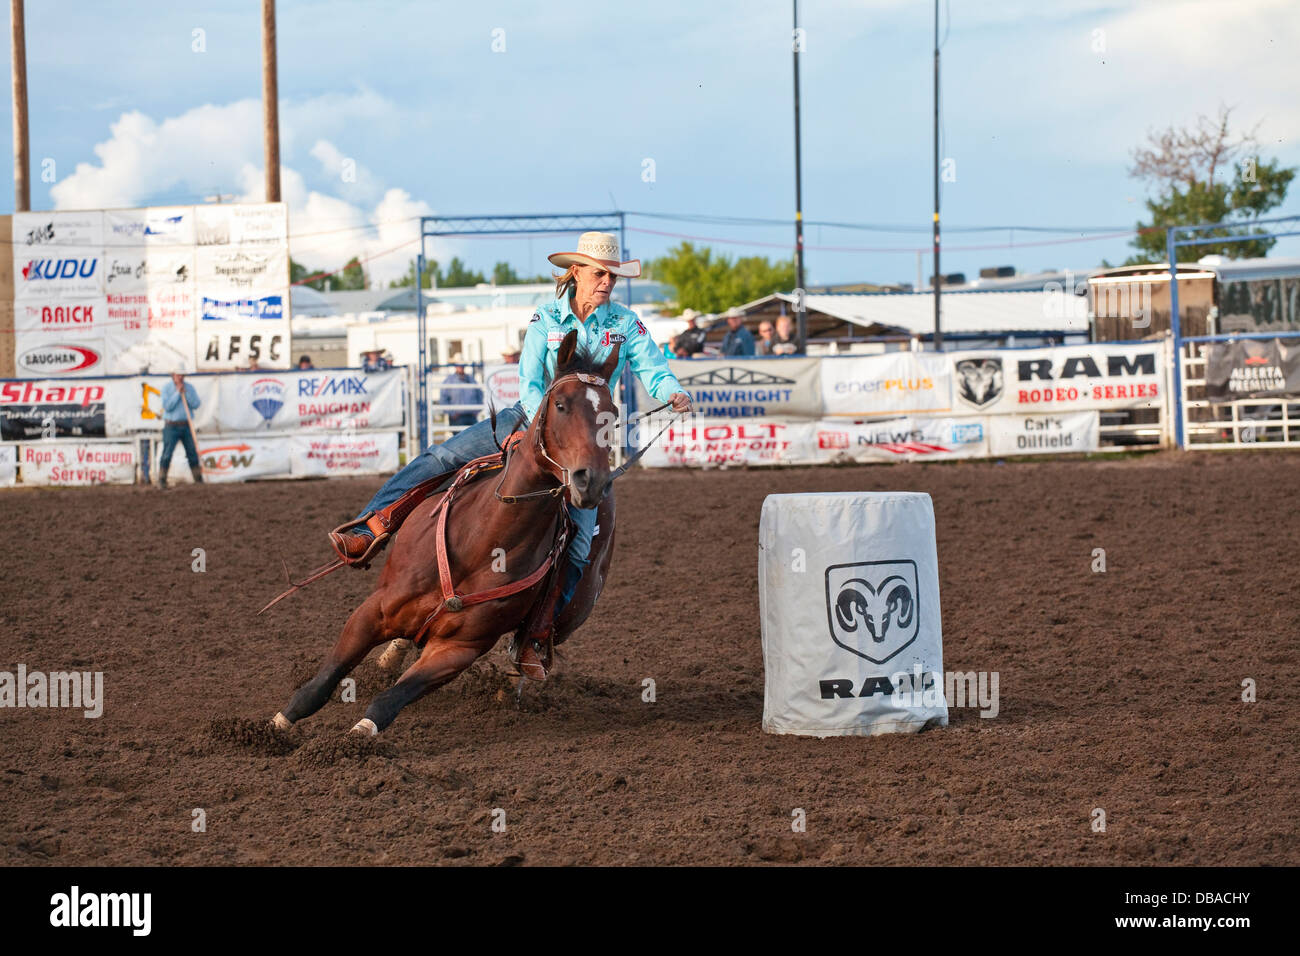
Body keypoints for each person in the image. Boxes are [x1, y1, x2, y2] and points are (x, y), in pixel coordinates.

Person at [328, 232, 693, 642]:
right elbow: (529, 379)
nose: (607, 282)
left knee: (578, 547)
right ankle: (372, 524)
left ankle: (537, 632)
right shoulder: (546, 318)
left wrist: (671, 392)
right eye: (599, 274)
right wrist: (542, 428)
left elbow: (653, 368)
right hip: (531, 420)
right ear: (576, 272)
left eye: (612, 276)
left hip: (587, 439)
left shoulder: (626, 324)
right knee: (444, 457)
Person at [158, 372, 203, 489]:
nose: (181, 377)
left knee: (192, 453)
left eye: (182, 375)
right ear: (173, 375)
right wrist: (178, 393)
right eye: (178, 375)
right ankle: (162, 480)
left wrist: (185, 393)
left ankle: (198, 479)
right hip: (171, 425)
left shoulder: (189, 388)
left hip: (186, 425)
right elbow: (167, 406)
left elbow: (196, 404)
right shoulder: (167, 388)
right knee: (167, 453)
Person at [440, 355, 484, 429]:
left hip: (471, 416)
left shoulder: (471, 379)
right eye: (458, 364)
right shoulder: (449, 380)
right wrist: (452, 413)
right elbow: (443, 399)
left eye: (462, 364)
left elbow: (480, 394)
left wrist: (477, 410)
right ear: (455, 366)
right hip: (457, 417)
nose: (461, 366)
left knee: (475, 438)